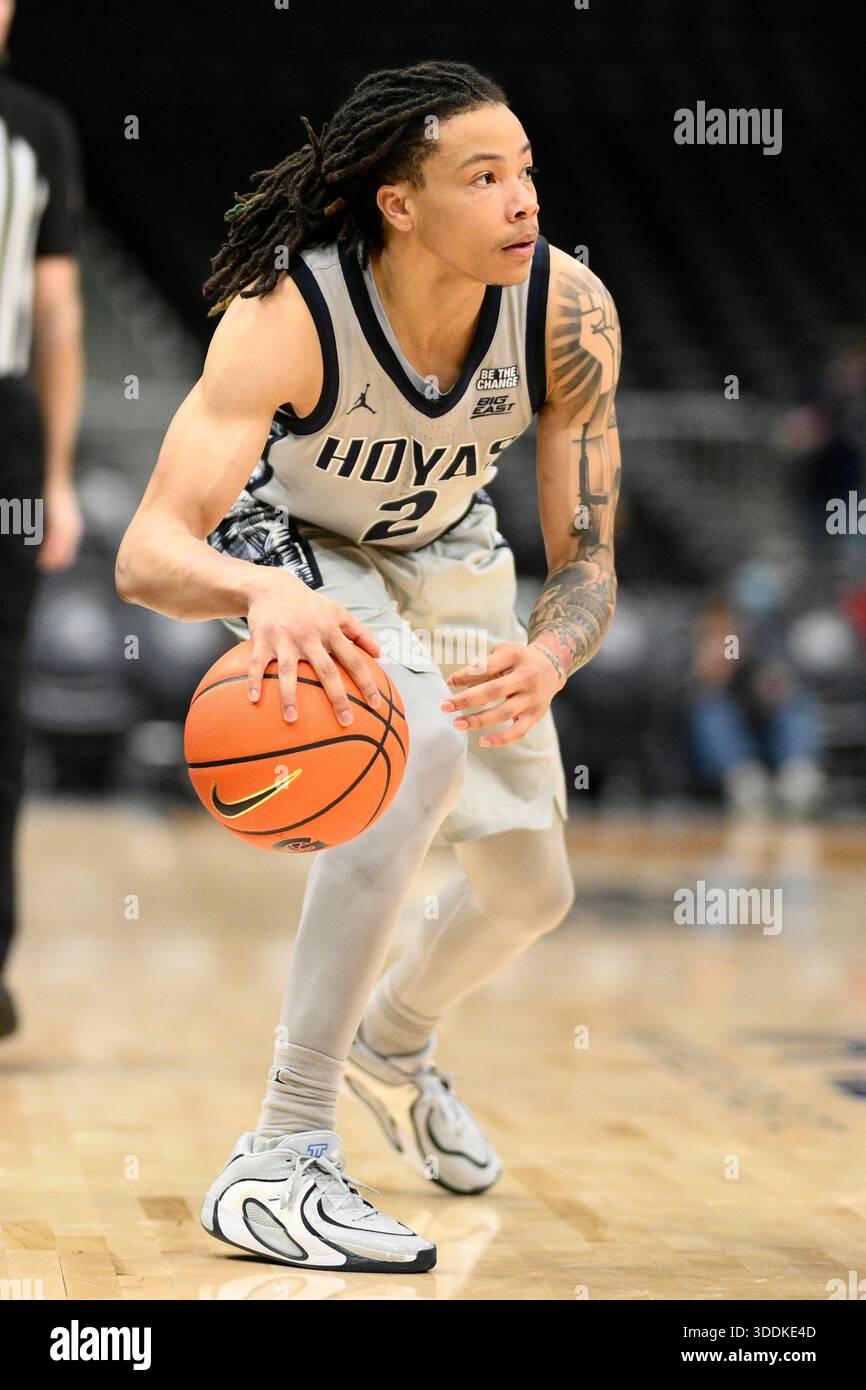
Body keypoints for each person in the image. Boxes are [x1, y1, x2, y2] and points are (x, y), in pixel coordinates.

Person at [116, 59, 622, 1273]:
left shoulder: (566, 311)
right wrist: (257, 590)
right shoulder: (288, 312)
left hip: (446, 544)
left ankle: (391, 1045)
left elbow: (591, 558)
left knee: (529, 890)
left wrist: (550, 654)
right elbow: (146, 552)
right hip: (290, 546)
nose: (522, 202)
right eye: (483, 177)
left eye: (527, 173)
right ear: (398, 202)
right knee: (418, 744)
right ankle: (280, 1153)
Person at [0, 0, 85, 1039]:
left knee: (1, 695)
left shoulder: (37, 127)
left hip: (3, 420)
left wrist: (56, 475)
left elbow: (56, 309)